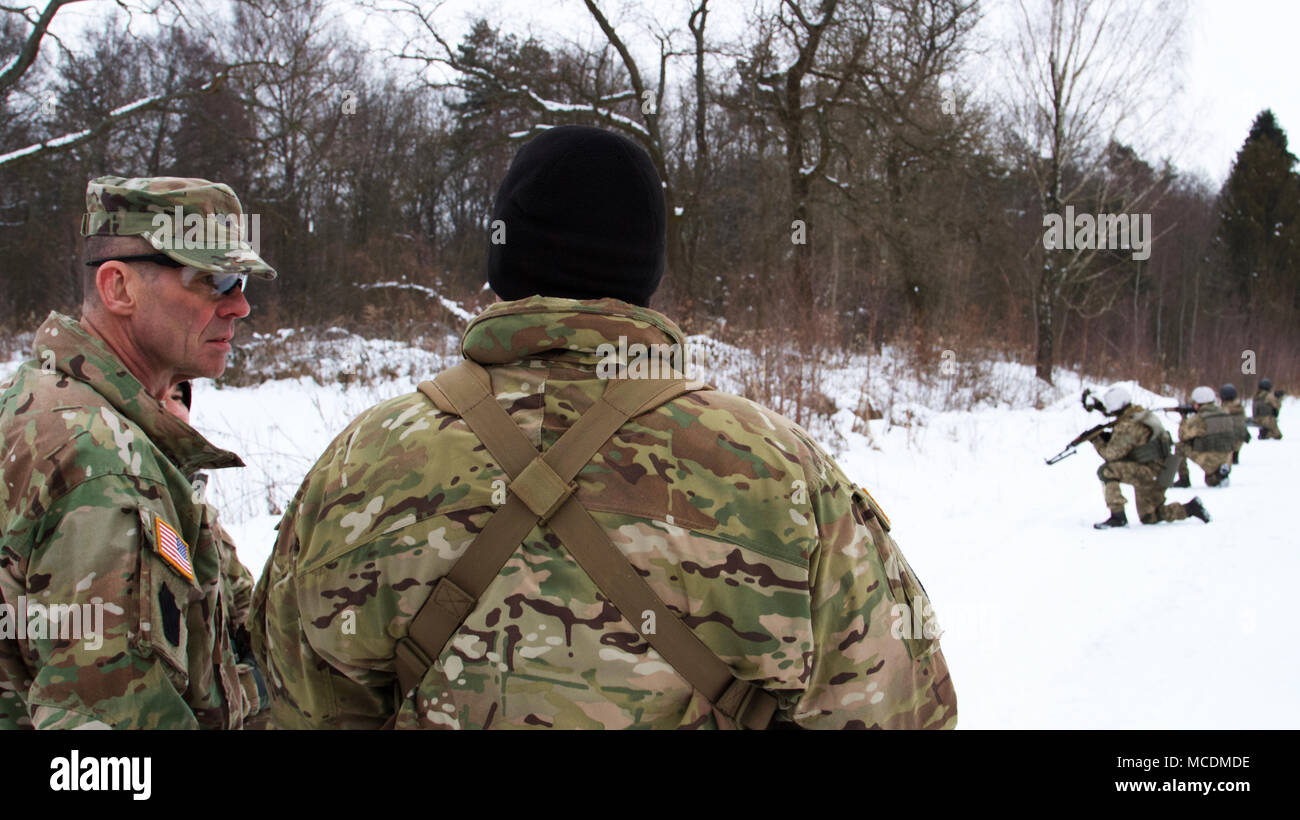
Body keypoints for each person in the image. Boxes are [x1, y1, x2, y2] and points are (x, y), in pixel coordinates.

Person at [251, 126, 957, 730]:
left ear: (503, 261)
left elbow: (288, 706)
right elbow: (898, 712)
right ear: (645, 269)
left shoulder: (361, 463)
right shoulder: (780, 473)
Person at [0, 176, 275, 729]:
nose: (240, 305)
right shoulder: (101, 465)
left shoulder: (49, 398)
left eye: (240, 279)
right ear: (118, 288)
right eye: (213, 280)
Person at [1091, 385, 1209, 529]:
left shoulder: (1128, 424)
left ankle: (1117, 516)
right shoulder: (1141, 414)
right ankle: (1191, 508)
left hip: (1151, 472)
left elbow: (1110, 454)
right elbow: (1135, 442)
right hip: (1166, 469)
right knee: (1150, 517)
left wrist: (1096, 441)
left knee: (1106, 470)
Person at [1173, 386, 1239, 487]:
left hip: (1210, 460)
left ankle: (1183, 480)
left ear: (1197, 404)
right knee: (1210, 481)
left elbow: (1182, 436)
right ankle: (1218, 475)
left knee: (1180, 446)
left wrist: (1184, 418)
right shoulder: (1225, 414)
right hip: (1227, 460)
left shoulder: (1199, 419)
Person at [1219, 383, 1250, 465]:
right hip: (1240, 437)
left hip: (1228, 439)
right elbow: (1243, 421)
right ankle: (1235, 455)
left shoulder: (1222, 409)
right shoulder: (1240, 407)